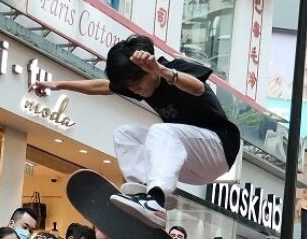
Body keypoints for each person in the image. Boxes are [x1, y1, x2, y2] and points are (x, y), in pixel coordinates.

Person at [33, 35, 239, 226]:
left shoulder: (175, 68)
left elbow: (197, 88)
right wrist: (58, 84)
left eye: (138, 83)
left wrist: (161, 70)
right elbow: (102, 87)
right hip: (190, 164)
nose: (136, 90)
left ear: (149, 70)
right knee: (125, 133)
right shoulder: (136, 84)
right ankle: (144, 192)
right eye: (130, 87)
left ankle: (156, 200)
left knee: (161, 131)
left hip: (219, 149)